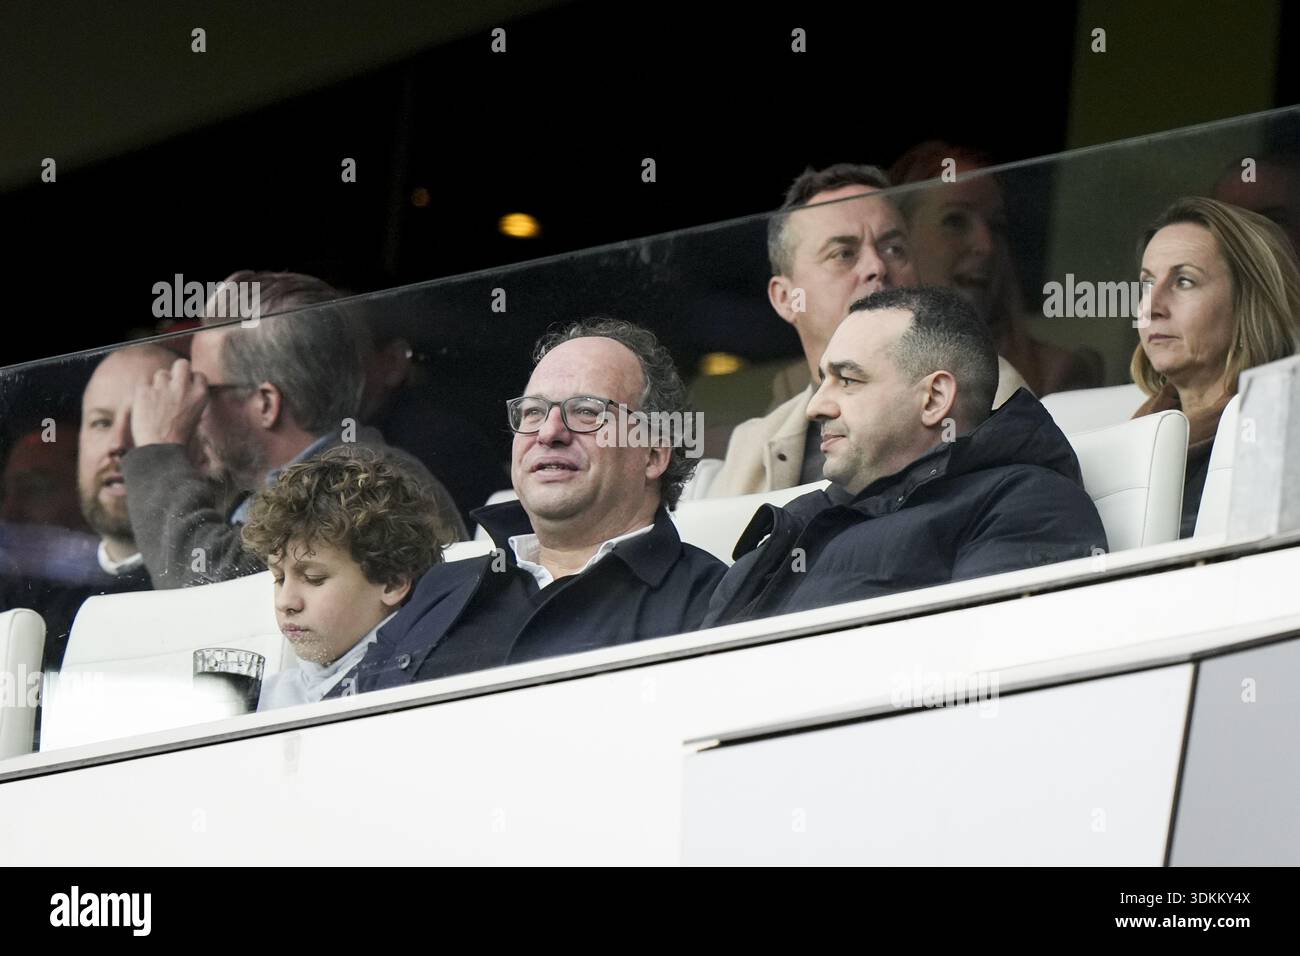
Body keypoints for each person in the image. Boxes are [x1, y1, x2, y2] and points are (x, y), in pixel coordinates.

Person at [346, 318, 726, 694]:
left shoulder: (713, 597)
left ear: (653, 454)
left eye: (587, 411)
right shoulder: (442, 587)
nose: (549, 433)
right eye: (532, 412)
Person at [705, 286, 1106, 626]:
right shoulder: (805, 515)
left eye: (848, 379)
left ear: (933, 399)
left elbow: (985, 677)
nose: (816, 407)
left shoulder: (1029, 507)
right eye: (823, 380)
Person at [121, 271, 466, 589]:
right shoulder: (350, 470)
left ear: (265, 404)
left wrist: (159, 448)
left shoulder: (360, 484)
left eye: (202, 391)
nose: (193, 414)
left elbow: (212, 589)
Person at [706, 163, 1026, 497]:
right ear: (786, 299)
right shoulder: (751, 444)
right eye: (843, 254)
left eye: (894, 249)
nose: (876, 267)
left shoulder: (984, 387)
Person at [1131, 197, 1300, 537]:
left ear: (1248, 306)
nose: (1153, 306)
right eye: (1147, 283)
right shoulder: (1133, 441)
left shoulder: (1281, 441)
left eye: (1184, 282)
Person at [241, 447, 453, 709]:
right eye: (279, 578)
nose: (285, 602)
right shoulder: (265, 698)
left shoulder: (425, 686)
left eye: (313, 578)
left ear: (393, 581)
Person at [889, 141, 1102, 396]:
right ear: (898, 240)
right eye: (955, 221)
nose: (986, 245)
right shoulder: (851, 362)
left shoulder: (1058, 374)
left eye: (997, 226)